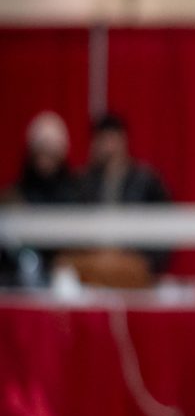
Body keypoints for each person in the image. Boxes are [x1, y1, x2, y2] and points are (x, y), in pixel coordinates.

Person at [62, 112, 173, 286]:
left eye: (112, 139)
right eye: (103, 140)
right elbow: (68, 227)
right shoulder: (81, 183)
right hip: (92, 267)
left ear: (124, 141)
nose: (108, 147)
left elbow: (166, 227)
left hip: (133, 267)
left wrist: (148, 263)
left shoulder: (146, 181)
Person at [3, 111, 75, 204]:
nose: (45, 160)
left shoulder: (76, 196)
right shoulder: (13, 197)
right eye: (41, 150)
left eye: (51, 153)